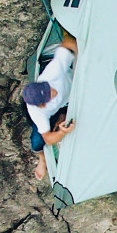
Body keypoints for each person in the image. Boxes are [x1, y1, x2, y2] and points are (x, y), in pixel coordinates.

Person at [19, 33, 77, 176]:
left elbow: (68, 43)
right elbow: (48, 139)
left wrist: (82, 53)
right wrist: (62, 131)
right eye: (48, 94)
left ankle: (61, 115)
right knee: (37, 141)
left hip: (73, 88)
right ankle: (42, 158)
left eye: (47, 88)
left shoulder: (51, 75)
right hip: (58, 107)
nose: (52, 90)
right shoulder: (38, 113)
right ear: (42, 105)